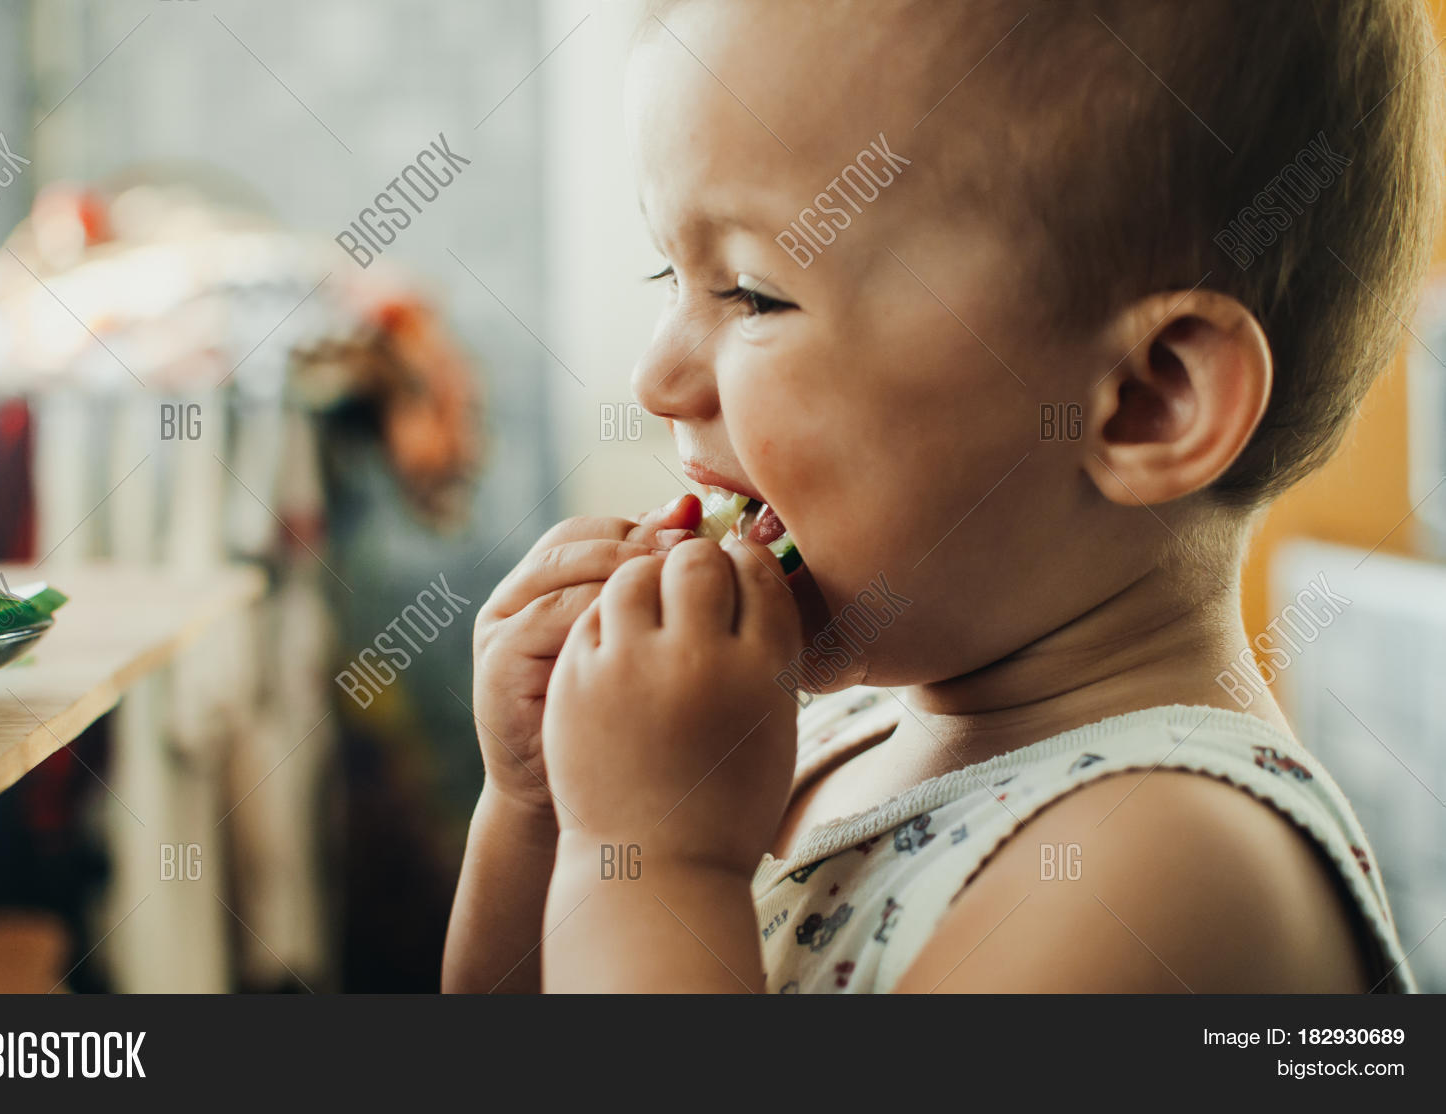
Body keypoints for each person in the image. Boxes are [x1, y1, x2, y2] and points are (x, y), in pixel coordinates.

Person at [443, 0, 1443, 993]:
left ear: (1146, 400)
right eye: (671, 269)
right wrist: (542, 814)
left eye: (753, 292)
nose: (655, 379)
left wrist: (651, 856)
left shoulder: (1170, 869)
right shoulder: (829, 732)